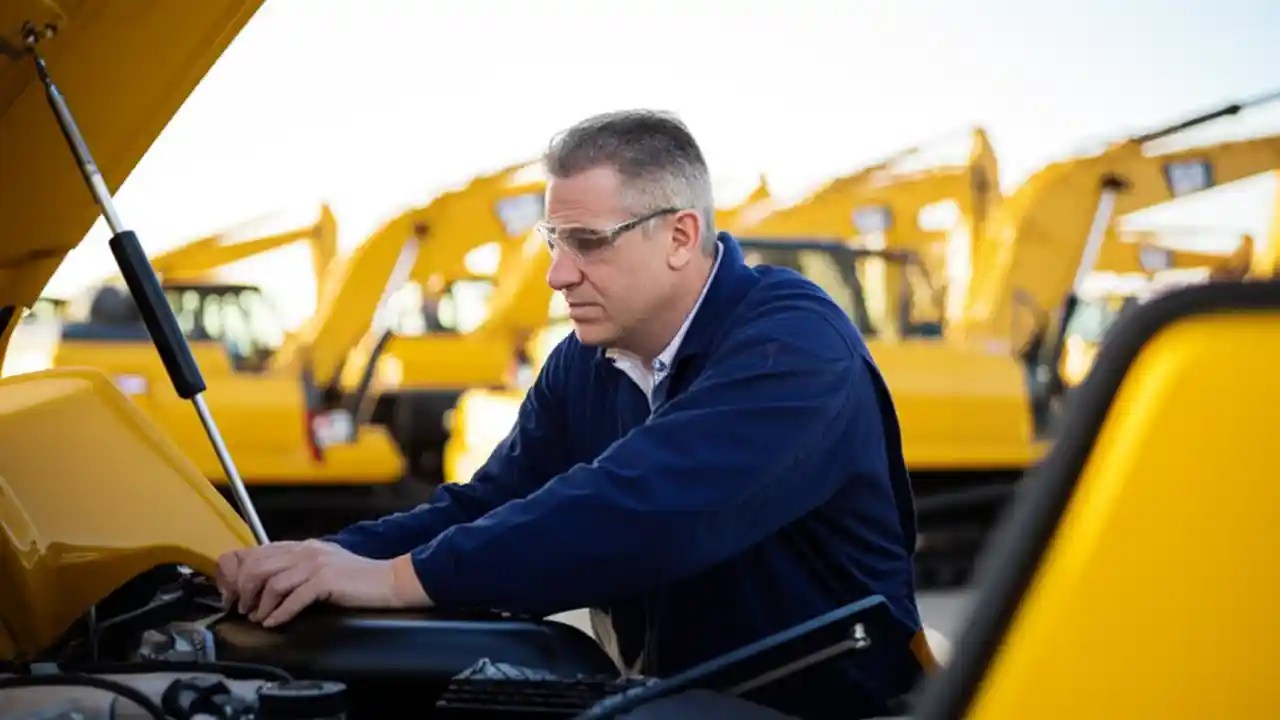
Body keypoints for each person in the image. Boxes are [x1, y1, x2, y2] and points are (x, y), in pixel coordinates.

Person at [215, 109, 924, 718]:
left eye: (588, 243)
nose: (558, 274)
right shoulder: (583, 361)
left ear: (680, 236)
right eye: (554, 241)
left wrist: (398, 580)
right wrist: (330, 559)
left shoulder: (794, 345)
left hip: (822, 702)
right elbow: (488, 504)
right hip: (673, 694)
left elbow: (645, 506)